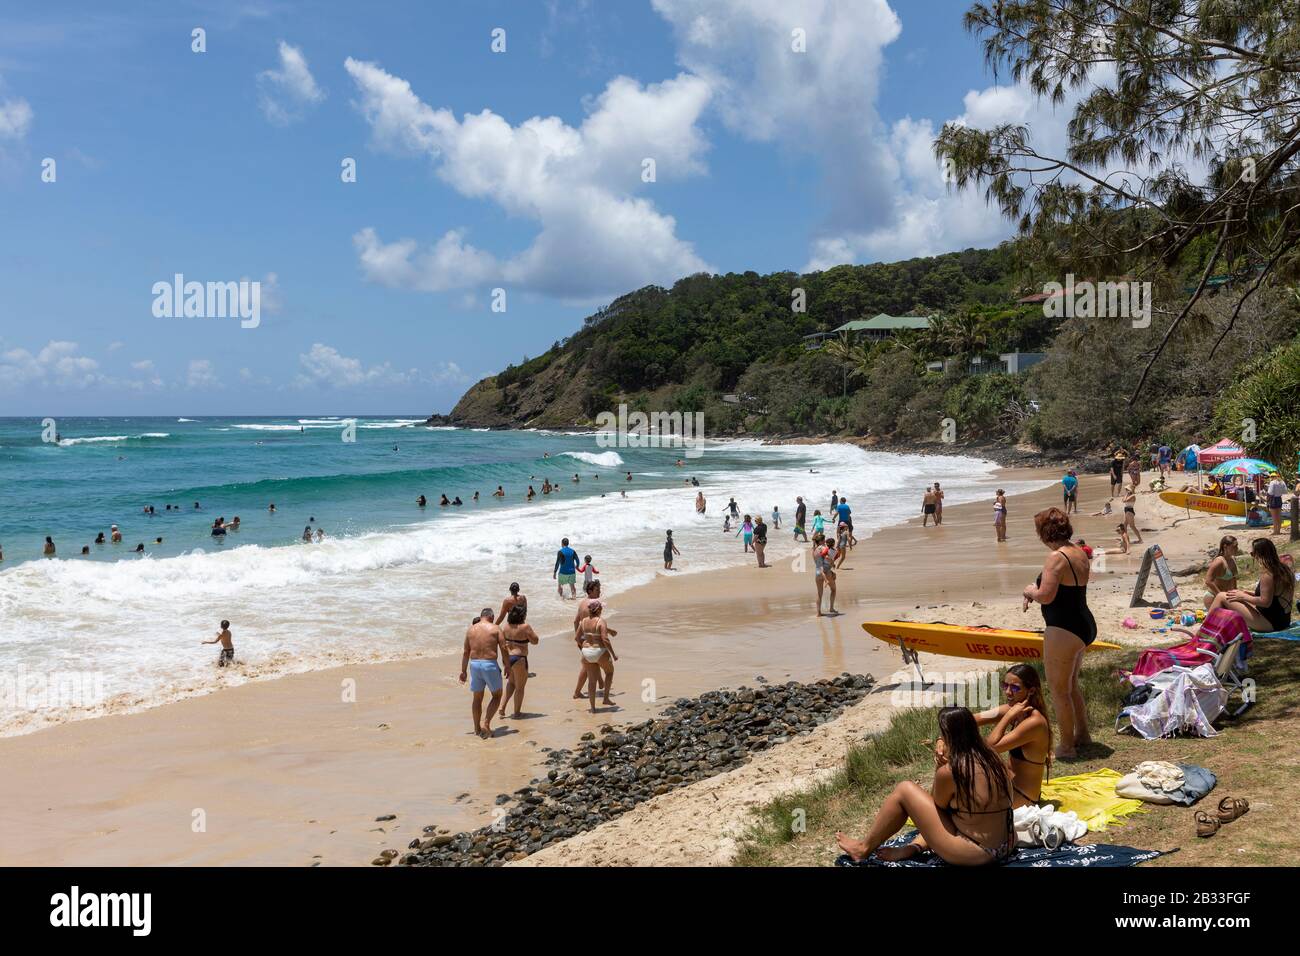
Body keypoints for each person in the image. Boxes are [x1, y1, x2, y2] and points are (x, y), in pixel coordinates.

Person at [835, 707, 1014, 865]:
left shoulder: (952, 771)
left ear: (948, 736)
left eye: (942, 735)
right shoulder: (992, 756)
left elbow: (937, 806)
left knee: (905, 790)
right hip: (1007, 844)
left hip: (975, 853)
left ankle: (862, 848)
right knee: (960, 808)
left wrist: (939, 768)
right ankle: (913, 848)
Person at [1022, 508, 1096, 759]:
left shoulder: (1056, 557)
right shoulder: (1078, 552)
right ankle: (1082, 735)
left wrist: (1030, 590)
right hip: (1082, 622)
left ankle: (1066, 746)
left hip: (1064, 627)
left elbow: (1046, 596)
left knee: (1058, 690)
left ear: (1044, 532)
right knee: (1071, 685)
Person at [975, 665, 1051, 806]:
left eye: (1015, 688)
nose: (1008, 692)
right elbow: (969, 720)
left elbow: (990, 747)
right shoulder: (1014, 709)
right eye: (1005, 686)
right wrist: (941, 740)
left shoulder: (1034, 722)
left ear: (1031, 691)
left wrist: (1008, 716)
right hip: (1008, 788)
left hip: (1023, 798)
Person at [1207, 537, 1294, 632]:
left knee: (1222, 596)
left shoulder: (1267, 574)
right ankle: (1218, 627)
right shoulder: (1284, 569)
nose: (1253, 557)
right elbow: (1274, 596)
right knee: (1234, 596)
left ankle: (1205, 629)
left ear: (1260, 554)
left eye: (1253, 554)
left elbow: (1265, 602)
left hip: (1270, 623)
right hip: (1283, 620)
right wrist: (1250, 594)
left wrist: (1243, 596)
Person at [459, 609, 510, 739]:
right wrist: (507, 665)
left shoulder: (471, 630)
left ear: (481, 616)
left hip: (474, 665)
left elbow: (466, 652)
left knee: (477, 698)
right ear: (491, 617)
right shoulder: (495, 628)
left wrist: (463, 671)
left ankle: (476, 729)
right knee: (497, 696)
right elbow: (504, 647)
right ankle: (486, 723)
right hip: (489, 664)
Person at [573, 580, 616, 699]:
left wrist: (579, 639)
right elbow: (595, 624)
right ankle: (580, 691)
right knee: (591, 666)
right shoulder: (593, 603)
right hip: (591, 641)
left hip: (583, 639)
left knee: (588, 666)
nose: (599, 592)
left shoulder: (582, 603)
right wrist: (609, 631)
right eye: (597, 589)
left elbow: (576, 621)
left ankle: (581, 690)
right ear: (590, 591)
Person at [576, 600, 617, 713]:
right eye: (601, 608)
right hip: (599, 651)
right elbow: (605, 639)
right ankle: (606, 698)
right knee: (609, 672)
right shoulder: (600, 621)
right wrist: (613, 654)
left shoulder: (583, 621)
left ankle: (593, 708)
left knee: (592, 681)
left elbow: (577, 638)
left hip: (586, 651)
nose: (602, 610)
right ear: (598, 610)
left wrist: (584, 648)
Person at [500, 604, 539, 719]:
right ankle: (517, 713)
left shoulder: (506, 626)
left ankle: (502, 708)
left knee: (511, 683)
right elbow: (535, 641)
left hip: (507, 658)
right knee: (520, 688)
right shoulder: (525, 627)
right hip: (519, 658)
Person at [1203, 536, 1239, 608]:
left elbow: (1233, 579)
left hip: (1226, 597)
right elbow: (1208, 581)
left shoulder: (1232, 559)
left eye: (1237, 546)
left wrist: (1235, 594)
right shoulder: (1219, 561)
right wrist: (1220, 595)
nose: (1237, 548)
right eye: (1234, 546)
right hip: (1214, 597)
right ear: (1225, 546)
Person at [812, 532, 837, 616]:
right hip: (826, 571)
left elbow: (817, 562)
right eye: (823, 540)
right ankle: (831, 608)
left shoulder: (814, 550)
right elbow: (827, 558)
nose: (825, 542)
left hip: (817, 572)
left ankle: (818, 613)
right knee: (833, 589)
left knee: (819, 593)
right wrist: (832, 563)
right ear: (820, 541)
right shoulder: (824, 548)